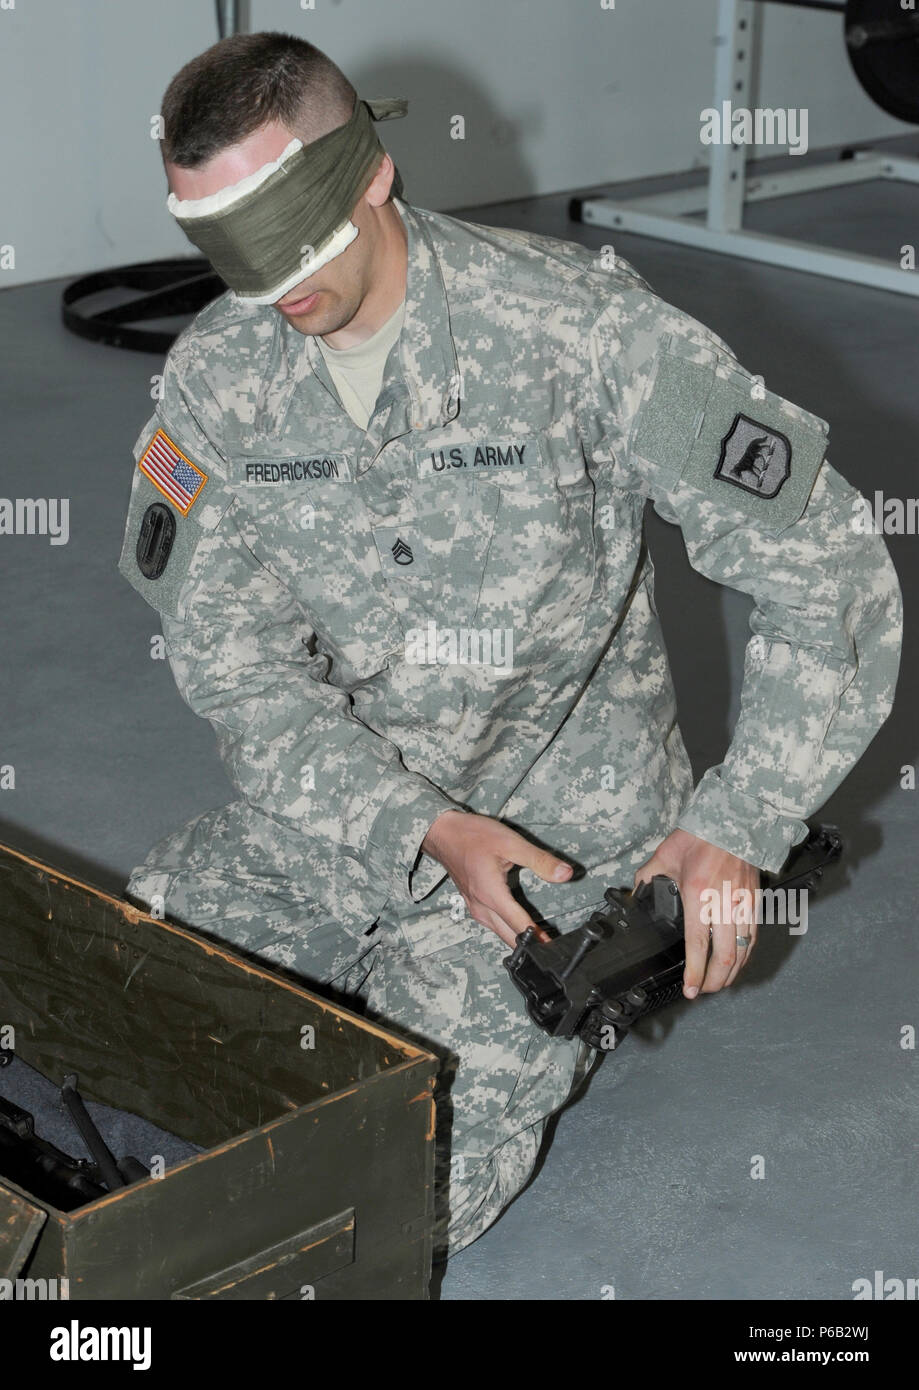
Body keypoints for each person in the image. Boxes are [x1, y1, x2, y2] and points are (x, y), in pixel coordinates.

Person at [118, 31, 902, 1260]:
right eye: (222, 245)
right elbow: (234, 665)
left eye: (286, 231)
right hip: (355, 811)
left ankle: (534, 1032)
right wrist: (414, 826)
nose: (272, 291)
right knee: (126, 999)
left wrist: (739, 822)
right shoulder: (221, 378)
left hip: (555, 844)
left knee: (388, 1172)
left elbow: (829, 561)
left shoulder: (581, 333)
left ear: (368, 171)